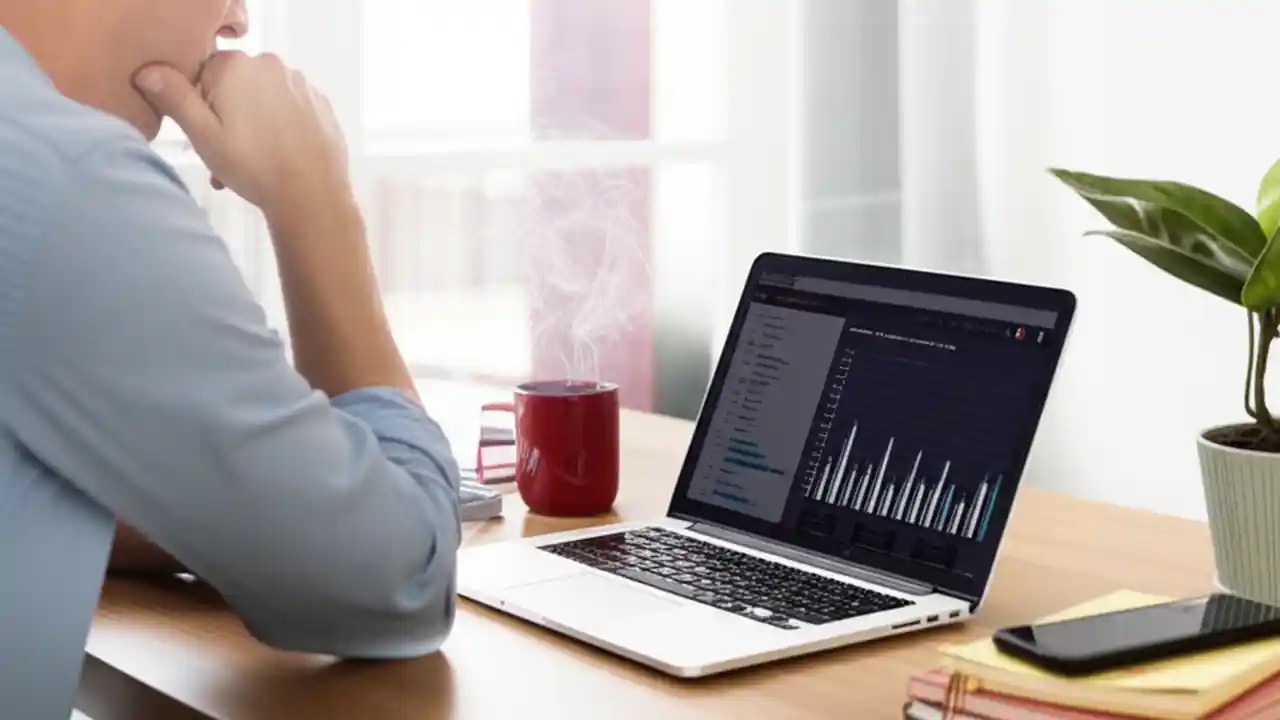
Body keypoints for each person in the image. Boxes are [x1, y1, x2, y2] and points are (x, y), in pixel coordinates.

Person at [0, 2, 462, 717]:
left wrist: (224, 516)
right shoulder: (65, 179)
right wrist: (314, 196)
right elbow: (398, 580)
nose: (238, 20)